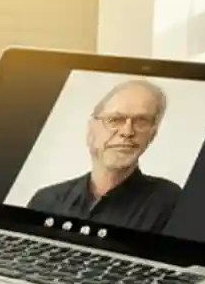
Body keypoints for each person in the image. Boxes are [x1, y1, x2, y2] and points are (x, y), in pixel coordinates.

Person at [27, 79, 182, 232]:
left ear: (152, 134)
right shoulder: (46, 200)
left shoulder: (170, 202)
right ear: (91, 131)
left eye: (141, 121)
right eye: (114, 120)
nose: (127, 132)